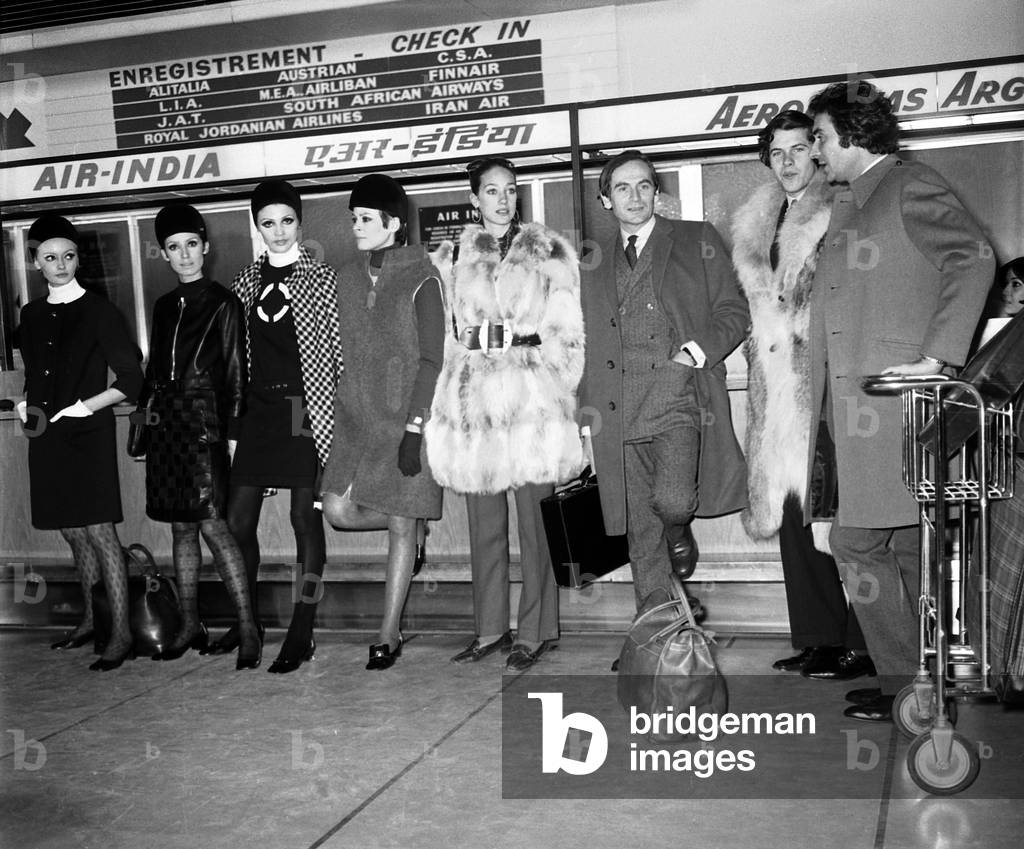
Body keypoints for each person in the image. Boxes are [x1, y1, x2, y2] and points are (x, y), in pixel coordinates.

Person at [807, 80, 994, 721]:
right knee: (907, 547)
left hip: (894, 406)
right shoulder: (854, 200)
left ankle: (907, 685)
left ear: (852, 136)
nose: (816, 151)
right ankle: (927, 685)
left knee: (856, 542)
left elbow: (974, 257)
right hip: (862, 406)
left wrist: (938, 357)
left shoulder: (909, 184)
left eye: (822, 139)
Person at [425, 158, 584, 671]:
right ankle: (489, 629)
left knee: (537, 524)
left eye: (510, 190)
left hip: (532, 401)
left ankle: (536, 630)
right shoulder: (450, 257)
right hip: (476, 404)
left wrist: (557, 388)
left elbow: (566, 331)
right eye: (491, 191)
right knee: (484, 524)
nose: (502, 199)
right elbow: (448, 339)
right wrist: (449, 398)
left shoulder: (547, 249)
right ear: (474, 198)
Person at [730, 111, 871, 680]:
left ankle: (865, 643)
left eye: (798, 148)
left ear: (817, 152)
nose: (787, 161)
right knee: (793, 510)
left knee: (844, 517)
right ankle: (817, 637)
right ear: (766, 158)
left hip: (826, 380)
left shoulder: (842, 209)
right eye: (776, 151)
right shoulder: (756, 222)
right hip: (774, 385)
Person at [580, 150, 748, 614]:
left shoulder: (697, 238)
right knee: (639, 530)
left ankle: (680, 530)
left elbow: (734, 312)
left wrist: (690, 355)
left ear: (657, 192)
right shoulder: (591, 261)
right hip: (617, 408)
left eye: (644, 186)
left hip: (678, 396)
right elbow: (581, 342)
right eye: (622, 188)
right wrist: (583, 417)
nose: (635, 196)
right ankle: (656, 628)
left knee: (673, 503)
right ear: (605, 200)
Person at [322, 174, 444, 670]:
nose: (356, 227)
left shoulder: (423, 277)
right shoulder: (345, 277)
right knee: (337, 510)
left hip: (406, 422)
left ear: (393, 224)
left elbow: (432, 360)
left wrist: (415, 426)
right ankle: (413, 525)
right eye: (353, 219)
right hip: (356, 421)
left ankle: (388, 632)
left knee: (398, 519)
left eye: (366, 219)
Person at [219, 179, 342, 673]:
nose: (278, 232)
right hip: (258, 413)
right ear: (257, 226)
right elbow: (232, 361)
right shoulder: (244, 282)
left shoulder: (323, 277)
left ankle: (302, 629)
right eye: (267, 223)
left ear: (299, 222)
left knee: (303, 520)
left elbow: (336, 352)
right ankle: (248, 621)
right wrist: (233, 426)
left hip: (304, 409)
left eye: (286, 221)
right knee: (236, 522)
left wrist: (333, 418)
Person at [136, 203, 261, 669]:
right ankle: (189, 623)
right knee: (180, 526)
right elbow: (152, 376)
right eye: (174, 247)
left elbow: (235, 375)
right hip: (167, 426)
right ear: (164, 254)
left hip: (204, 424)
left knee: (213, 526)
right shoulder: (163, 305)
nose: (184, 254)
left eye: (192, 244)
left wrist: (230, 438)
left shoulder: (225, 302)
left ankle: (248, 626)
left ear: (205, 248)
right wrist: (145, 431)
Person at [18, 213, 144, 670]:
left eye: (68, 256)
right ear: (35, 262)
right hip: (45, 433)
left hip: (87, 432)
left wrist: (86, 406)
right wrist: (23, 403)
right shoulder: (30, 315)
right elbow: (35, 375)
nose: (61, 265)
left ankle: (123, 633)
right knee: (71, 530)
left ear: (77, 259)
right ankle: (92, 620)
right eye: (50, 258)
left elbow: (132, 379)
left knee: (98, 530)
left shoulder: (99, 311)